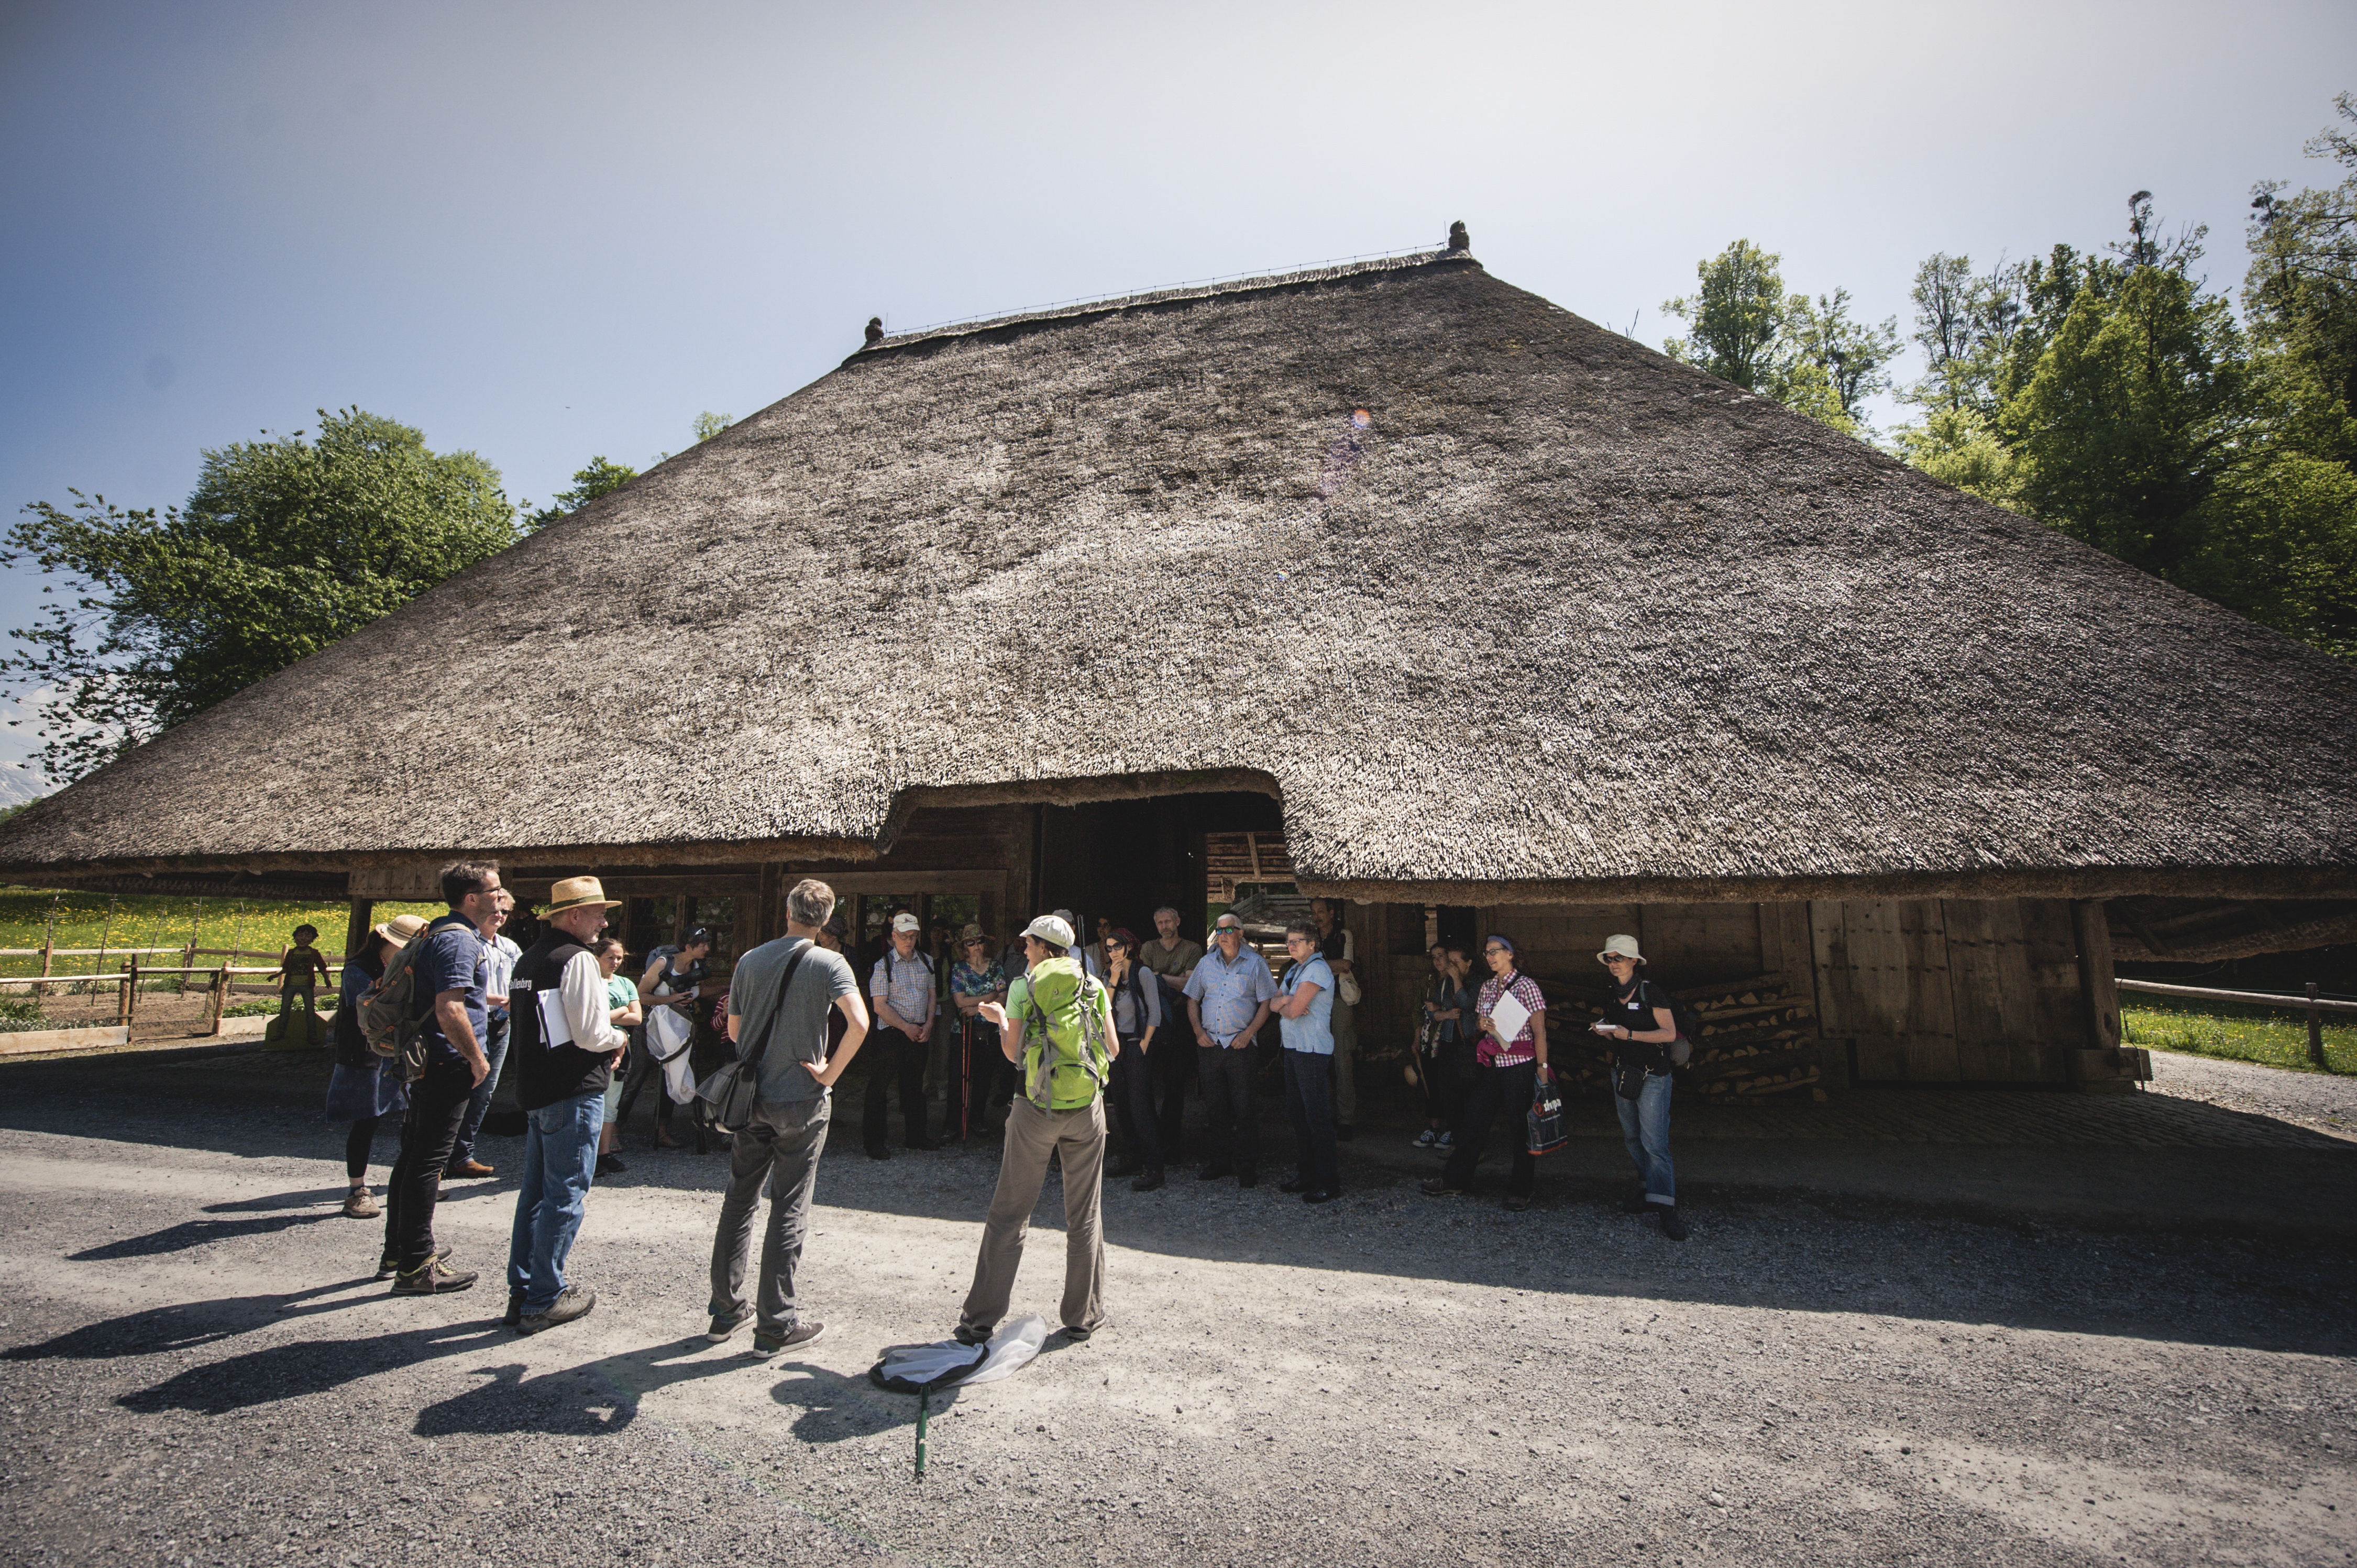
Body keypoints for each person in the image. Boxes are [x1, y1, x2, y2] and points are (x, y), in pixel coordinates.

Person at [708, 878, 871, 1356]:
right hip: (801, 1097)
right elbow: (860, 1022)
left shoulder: (750, 960)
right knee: (789, 1207)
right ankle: (775, 1324)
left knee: (739, 1201)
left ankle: (725, 1310)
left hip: (751, 1098)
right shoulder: (830, 962)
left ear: (787, 912)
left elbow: (734, 1032)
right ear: (826, 919)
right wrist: (829, 1074)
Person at [960, 914, 1116, 1345]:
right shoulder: (1092, 985)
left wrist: (999, 1019)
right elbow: (1113, 1049)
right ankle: (1083, 1316)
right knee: (1084, 1215)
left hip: (1034, 1109)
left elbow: (1013, 1055)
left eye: (1028, 943)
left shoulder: (1021, 988)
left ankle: (980, 1320)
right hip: (1086, 1110)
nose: (1024, 948)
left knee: (1009, 1213)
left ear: (1043, 947)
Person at [503, 876, 629, 1333]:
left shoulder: (529, 958)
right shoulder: (576, 960)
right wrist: (620, 1037)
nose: (604, 922)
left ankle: (524, 1291)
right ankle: (544, 1296)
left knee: (536, 1195)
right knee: (565, 1194)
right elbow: (591, 1033)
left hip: (538, 1086)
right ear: (574, 915)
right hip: (571, 1088)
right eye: (598, 914)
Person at [381, 860, 500, 1294]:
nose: (501, 899)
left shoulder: (439, 932)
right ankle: (417, 1264)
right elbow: (450, 1008)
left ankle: (400, 1250)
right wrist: (477, 1060)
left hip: (429, 1059)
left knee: (414, 1154)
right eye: (494, 891)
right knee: (429, 1161)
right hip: (447, 1062)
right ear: (471, 898)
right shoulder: (460, 941)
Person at [1423, 934, 1549, 1212]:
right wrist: (1481, 1024)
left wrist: (1542, 1069)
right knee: (1474, 1121)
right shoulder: (1489, 986)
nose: (1490, 957)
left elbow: (1539, 1031)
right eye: (1487, 953)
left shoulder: (1527, 986)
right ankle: (1454, 1180)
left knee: (1520, 1127)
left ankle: (1521, 1190)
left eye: (1495, 951)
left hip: (1519, 1064)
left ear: (1511, 954)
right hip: (1492, 1063)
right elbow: (1480, 1023)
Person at [323, 913, 428, 1219]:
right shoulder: (358, 970)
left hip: (399, 1050)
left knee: (412, 1118)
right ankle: (356, 1190)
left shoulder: (406, 966)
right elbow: (374, 1009)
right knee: (366, 1121)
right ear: (386, 942)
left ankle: (412, 1182)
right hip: (364, 1054)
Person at [1594, 934, 1687, 1241]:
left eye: (1619, 958)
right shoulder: (1612, 993)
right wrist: (1605, 1031)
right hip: (1624, 1073)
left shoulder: (1650, 992)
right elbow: (1616, 1032)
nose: (1614, 964)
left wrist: (1631, 1035)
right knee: (1633, 1137)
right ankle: (1649, 1191)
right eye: (1610, 959)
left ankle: (1666, 1207)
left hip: (1653, 1076)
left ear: (1634, 961)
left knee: (1654, 1143)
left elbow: (1669, 1033)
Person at [1184, 912, 1276, 1188]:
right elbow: (1192, 998)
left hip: (1241, 1047)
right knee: (1215, 1108)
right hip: (1210, 1045)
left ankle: (1247, 1167)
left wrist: (1249, 1034)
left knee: (1245, 1108)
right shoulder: (1205, 963)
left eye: (1228, 930)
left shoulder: (1256, 964)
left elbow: (1267, 1002)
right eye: (1219, 930)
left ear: (1240, 933)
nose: (1223, 935)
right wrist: (1198, 1031)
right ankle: (1219, 1162)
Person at [447, 889, 521, 1179]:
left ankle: (462, 1154)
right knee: (458, 1088)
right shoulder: (466, 942)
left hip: (500, 1023)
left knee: (484, 1092)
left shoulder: (509, 947)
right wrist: (494, 999)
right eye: (495, 910)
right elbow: (458, 987)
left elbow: (520, 981)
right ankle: (440, 1156)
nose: (499, 916)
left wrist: (515, 999)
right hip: (470, 1022)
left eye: (505, 912)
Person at [619, 927, 713, 1150]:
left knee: (672, 1076)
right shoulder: (664, 963)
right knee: (636, 1077)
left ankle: (662, 1131)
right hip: (651, 1026)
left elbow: (700, 992)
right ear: (688, 947)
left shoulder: (697, 967)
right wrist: (670, 999)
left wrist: (731, 989)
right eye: (703, 945)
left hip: (677, 1027)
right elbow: (640, 995)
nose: (707, 949)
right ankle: (613, 1131)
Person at [1271, 922, 1339, 1204]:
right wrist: (1287, 1001)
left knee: (1316, 1117)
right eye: (1289, 941)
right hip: (1293, 1048)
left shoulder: (1318, 969)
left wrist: (1286, 1004)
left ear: (1313, 944)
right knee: (1299, 1116)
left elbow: (1293, 1011)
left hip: (1311, 1050)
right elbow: (1273, 1004)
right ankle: (1307, 1175)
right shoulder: (1295, 970)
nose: (1291, 946)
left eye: (1297, 941)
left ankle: (1328, 1182)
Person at [864, 911, 938, 1157]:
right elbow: (879, 1006)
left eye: (913, 936)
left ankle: (916, 1137)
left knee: (914, 1086)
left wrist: (929, 1024)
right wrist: (906, 1027)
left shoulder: (927, 961)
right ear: (893, 936)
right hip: (892, 1033)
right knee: (880, 1087)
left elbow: (932, 995)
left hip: (919, 1032)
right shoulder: (882, 965)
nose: (909, 941)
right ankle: (874, 1143)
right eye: (904, 936)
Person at [1100, 928, 1166, 1191]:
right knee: (1121, 1103)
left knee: (1140, 1106)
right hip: (1116, 1046)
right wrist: (1114, 978)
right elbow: (1103, 1009)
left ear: (1129, 946)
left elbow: (1155, 1012)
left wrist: (1145, 1043)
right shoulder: (1108, 975)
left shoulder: (1143, 972)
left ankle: (1154, 1166)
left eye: (1117, 946)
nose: (1113, 952)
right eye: (1109, 948)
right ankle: (1132, 1155)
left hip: (1138, 1043)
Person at [1137, 907, 1203, 1161]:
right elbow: (1143, 983)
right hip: (1151, 1022)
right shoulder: (1148, 948)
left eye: (1168, 921)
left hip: (1180, 1021)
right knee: (1143, 1082)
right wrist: (1172, 980)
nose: (1164, 926)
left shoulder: (1192, 949)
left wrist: (1158, 977)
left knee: (1175, 1083)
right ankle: (1151, 1137)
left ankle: (1171, 1141)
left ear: (1177, 921)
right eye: (1160, 923)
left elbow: (1190, 985)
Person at [948, 925, 1008, 1140]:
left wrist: (976, 1008)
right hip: (963, 1029)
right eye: (971, 942)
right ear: (965, 947)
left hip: (989, 1030)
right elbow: (959, 1001)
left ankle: (977, 1120)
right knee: (958, 1077)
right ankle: (952, 1124)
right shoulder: (959, 968)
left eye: (980, 941)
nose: (976, 946)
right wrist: (990, 997)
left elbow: (1004, 997)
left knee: (984, 1078)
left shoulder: (996, 966)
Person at [1309, 898, 1358, 1141]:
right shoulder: (1311, 938)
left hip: (1338, 1000)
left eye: (1321, 911)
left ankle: (1346, 1119)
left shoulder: (1343, 935)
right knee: (1319, 1058)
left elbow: (1346, 965)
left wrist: (1316, 965)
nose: (1317, 916)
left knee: (1342, 1058)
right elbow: (1302, 965)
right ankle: (1325, 1115)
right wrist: (1329, 966)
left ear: (1331, 913)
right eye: (1314, 912)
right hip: (1315, 1002)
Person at [1414, 943, 1471, 1150]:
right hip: (1431, 1038)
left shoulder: (1464, 981)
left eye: (1442, 956)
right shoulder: (1431, 981)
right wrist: (1417, 1038)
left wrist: (1442, 1011)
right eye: (1434, 957)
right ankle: (1435, 1128)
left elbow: (1464, 1008)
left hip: (1451, 1039)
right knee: (1432, 1081)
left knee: (1451, 1085)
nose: (1438, 961)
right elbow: (1422, 1011)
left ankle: (1452, 1130)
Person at [594, 937, 643, 1177]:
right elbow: (590, 1019)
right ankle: (589, 1154)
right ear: (597, 958)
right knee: (593, 1099)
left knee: (611, 1102)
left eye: (619, 958)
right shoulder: (590, 982)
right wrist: (621, 1010)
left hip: (621, 1047)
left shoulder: (626, 983)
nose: (615, 962)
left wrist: (608, 1015)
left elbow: (637, 1018)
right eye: (610, 958)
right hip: (595, 1046)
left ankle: (604, 1153)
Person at [266, 924, 333, 1048]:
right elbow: (286, 968)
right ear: (295, 937)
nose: (303, 939)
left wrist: (326, 979)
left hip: (307, 986)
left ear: (312, 939)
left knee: (310, 1011)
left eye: (307, 936)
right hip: (290, 985)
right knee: (284, 1010)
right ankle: (280, 1032)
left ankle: (312, 1035)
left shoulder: (314, 953)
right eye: (300, 936)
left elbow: (322, 967)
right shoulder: (291, 953)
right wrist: (275, 976)